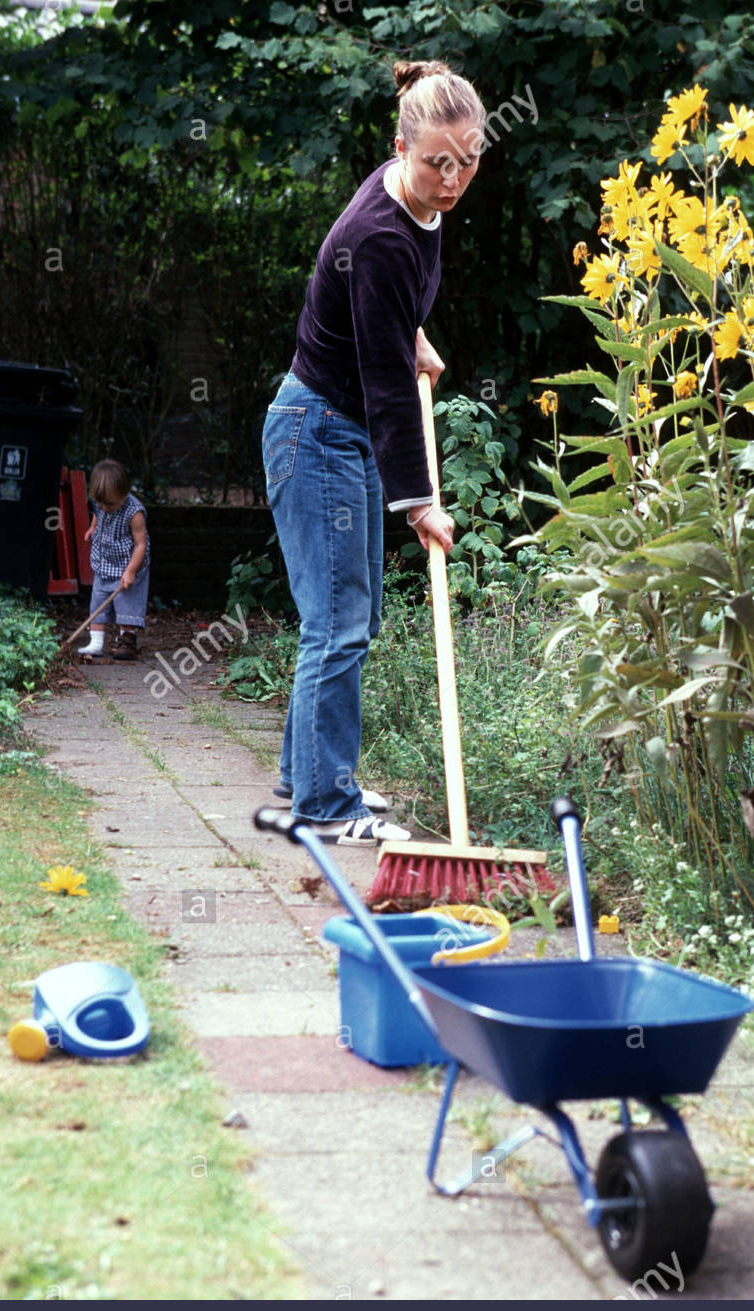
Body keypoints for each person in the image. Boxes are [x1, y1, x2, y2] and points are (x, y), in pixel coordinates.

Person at [262, 59, 486, 844]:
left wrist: (411, 334)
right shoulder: (381, 235)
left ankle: (306, 782)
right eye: (437, 162)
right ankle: (325, 807)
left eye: (468, 158)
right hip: (316, 428)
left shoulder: (413, 200)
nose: (453, 177)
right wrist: (421, 501)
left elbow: (375, 314)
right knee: (338, 622)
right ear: (401, 147)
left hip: (335, 425)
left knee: (346, 616)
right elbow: (386, 389)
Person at [78, 458, 150, 661]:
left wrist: (131, 570)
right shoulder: (101, 504)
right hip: (105, 561)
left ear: (124, 493)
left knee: (126, 602)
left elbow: (140, 545)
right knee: (98, 601)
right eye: (100, 503)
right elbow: (97, 514)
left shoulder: (134, 512)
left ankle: (127, 640)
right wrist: (93, 527)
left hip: (129, 562)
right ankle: (96, 642)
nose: (104, 507)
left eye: (109, 503)